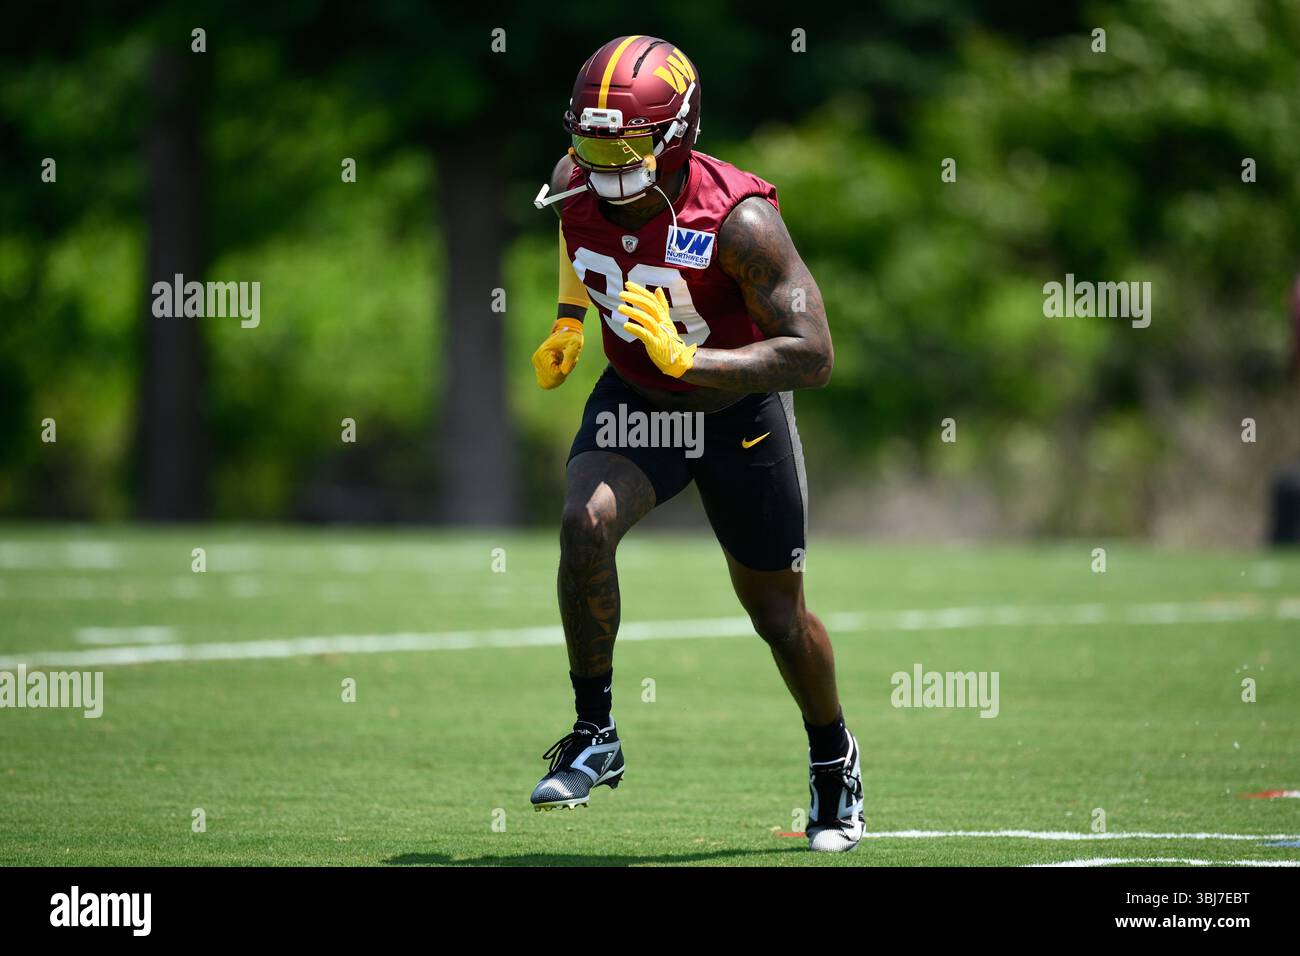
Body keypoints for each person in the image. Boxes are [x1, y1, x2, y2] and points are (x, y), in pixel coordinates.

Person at [528, 36, 863, 851]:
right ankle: (595, 731)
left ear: (677, 137)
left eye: (626, 145)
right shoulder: (579, 180)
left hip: (738, 414)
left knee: (778, 617)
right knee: (584, 524)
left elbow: (814, 354)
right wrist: (571, 320)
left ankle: (833, 759)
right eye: (590, 141)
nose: (603, 162)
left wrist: (695, 359)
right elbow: (580, 236)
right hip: (638, 403)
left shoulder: (741, 220)